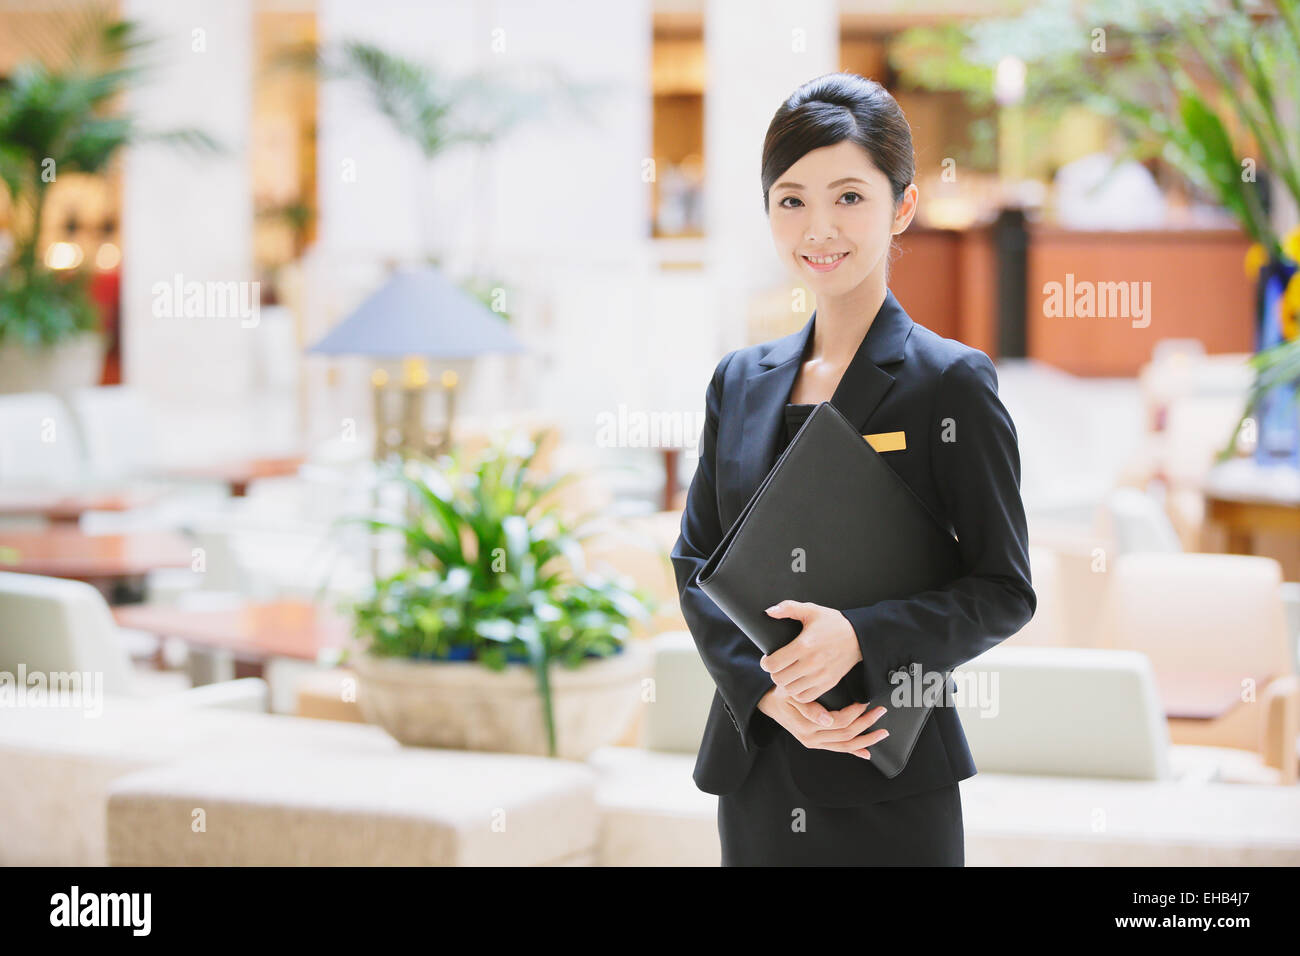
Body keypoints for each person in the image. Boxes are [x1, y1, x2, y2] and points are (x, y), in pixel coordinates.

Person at [670, 72, 1036, 866]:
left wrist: (859, 638)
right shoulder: (738, 380)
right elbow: (695, 564)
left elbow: (1004, 590)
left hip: (887, 775)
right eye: (791, 199)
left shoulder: (951, 382)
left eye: (849, 197)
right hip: (759, 762)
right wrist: (767, 690)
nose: (819, 227)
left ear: (902, 206)